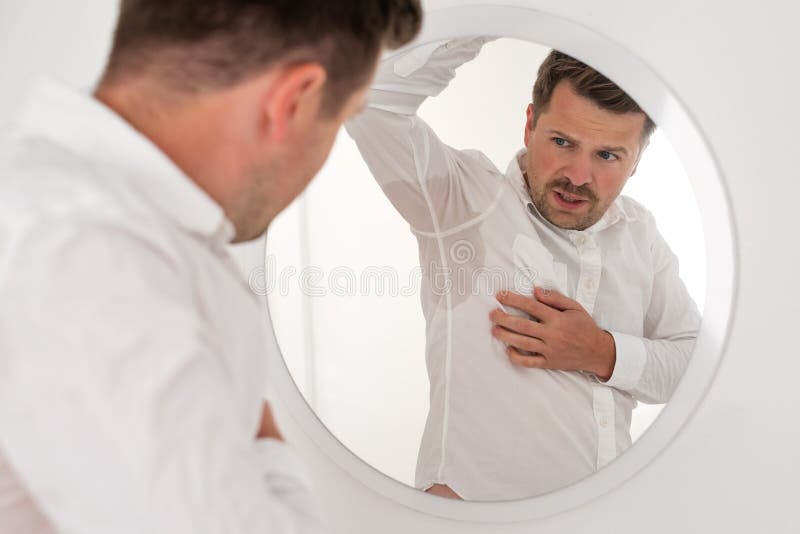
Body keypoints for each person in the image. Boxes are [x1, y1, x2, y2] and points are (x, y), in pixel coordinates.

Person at [0, 1, 422, 533]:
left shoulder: (80, 218)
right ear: (293, 99)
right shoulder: (87, 254)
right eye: (342, 117)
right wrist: (264, 444)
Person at [345, 38, 701, 501]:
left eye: (608, 155)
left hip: (610, 517)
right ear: (530, 125)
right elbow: (371, 104)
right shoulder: (460, 199)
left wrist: (601, 352)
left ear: (637, 162)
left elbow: (694, 365)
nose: (578, 175)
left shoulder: (640, 234)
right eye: (562, 142)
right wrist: (493, 17)